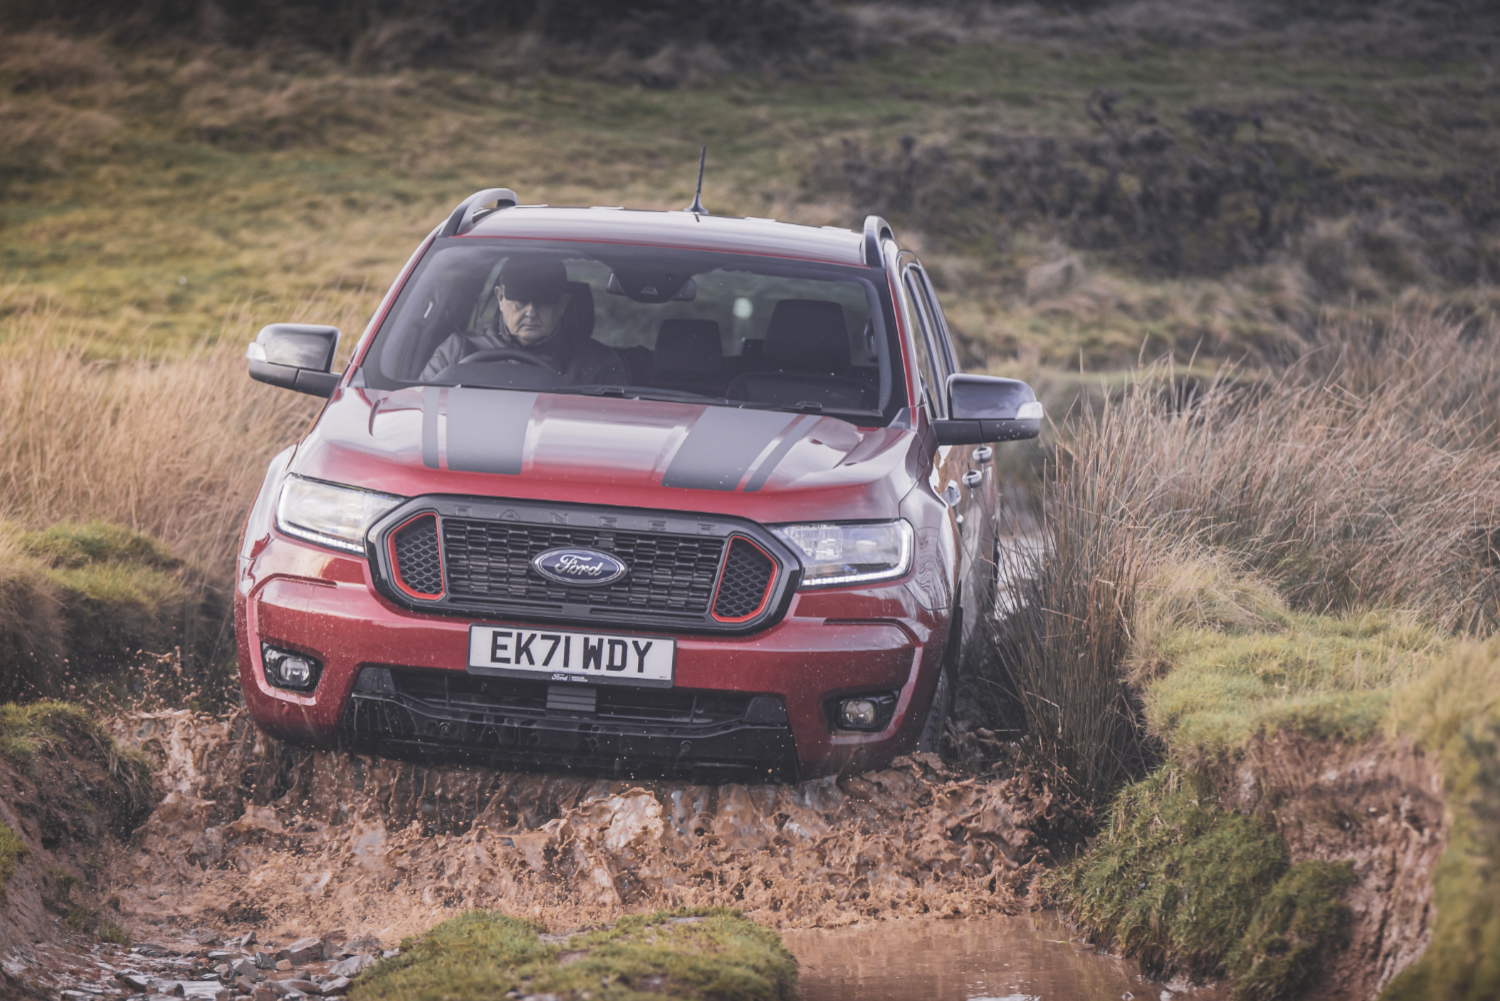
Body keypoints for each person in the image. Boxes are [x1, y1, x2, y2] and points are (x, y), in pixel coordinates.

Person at [421, 258, 629, 385]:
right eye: (520, 303)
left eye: (543, 303)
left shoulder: (598, 363)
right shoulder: (457, 350)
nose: (531, 313)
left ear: (563, 304)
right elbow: (419, 409)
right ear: (500, 298)